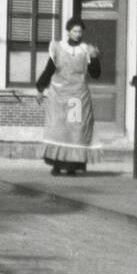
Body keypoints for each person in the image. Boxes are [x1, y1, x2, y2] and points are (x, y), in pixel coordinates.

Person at [35, 17, 102, 175]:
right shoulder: (58, 47)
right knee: (58, 130)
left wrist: (95, 58)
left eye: (80, 31)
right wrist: (40, 88)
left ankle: (72, 167)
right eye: (75, 31)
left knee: (75, 130)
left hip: (77, 97)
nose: (78, 34)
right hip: (59, 95)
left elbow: (95, 74)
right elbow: (49, 70)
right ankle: (57, 165)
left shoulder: (86, 50)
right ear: (68, 31)